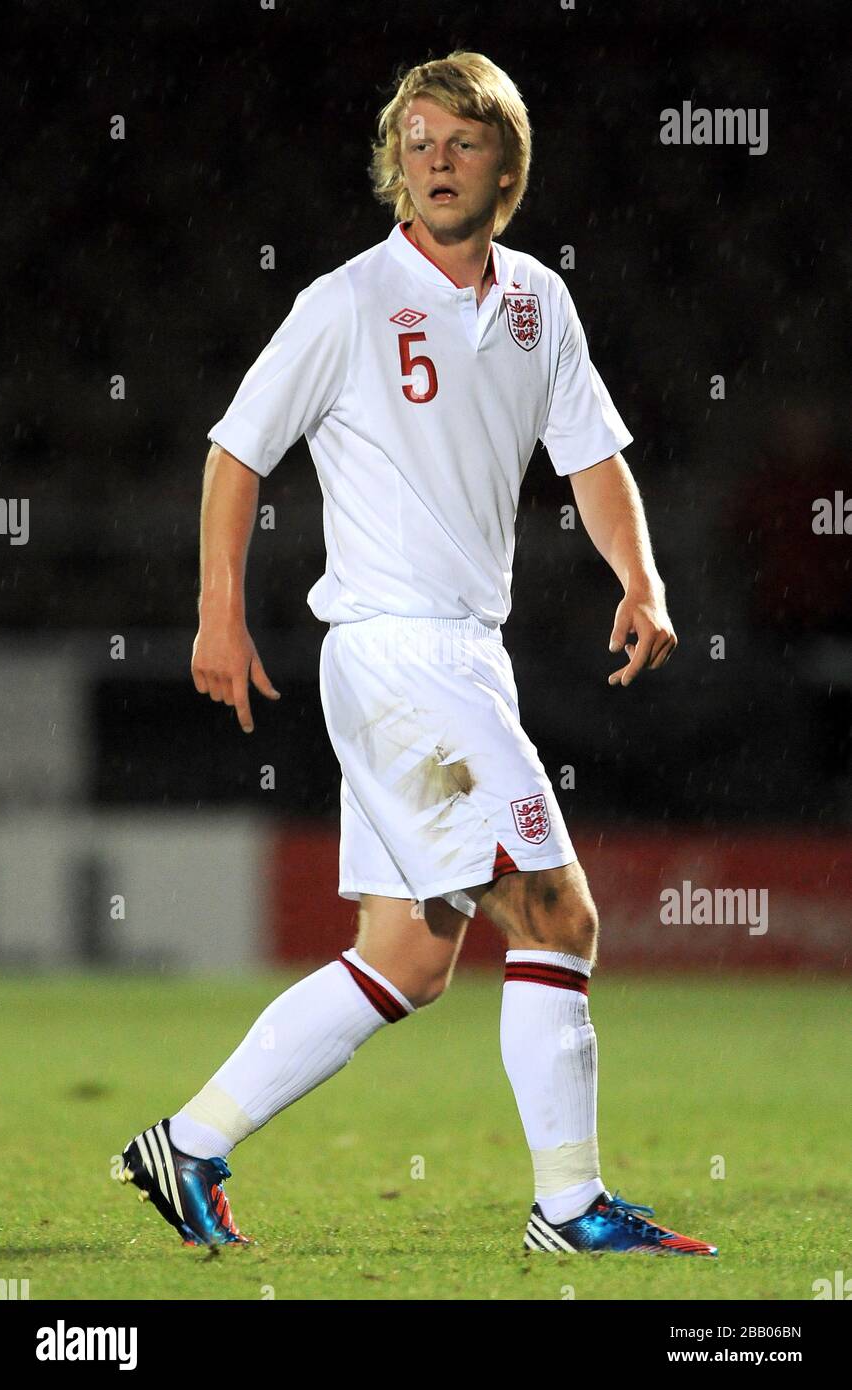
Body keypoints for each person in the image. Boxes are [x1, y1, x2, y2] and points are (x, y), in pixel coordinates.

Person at [119, 51, 716, 1258]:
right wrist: (217, 613)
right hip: (398, 660)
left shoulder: (538, 300)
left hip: (463, 657)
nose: (437, 160)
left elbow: (590, 456)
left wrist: (640, 577)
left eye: (463, 140)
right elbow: (236, 452)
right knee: (558, 909)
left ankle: (185, 1144)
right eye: (419, 140)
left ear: (508, 163)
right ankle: (567, 1207)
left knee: (407, 955)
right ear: (396, 161)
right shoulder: (344, 300)